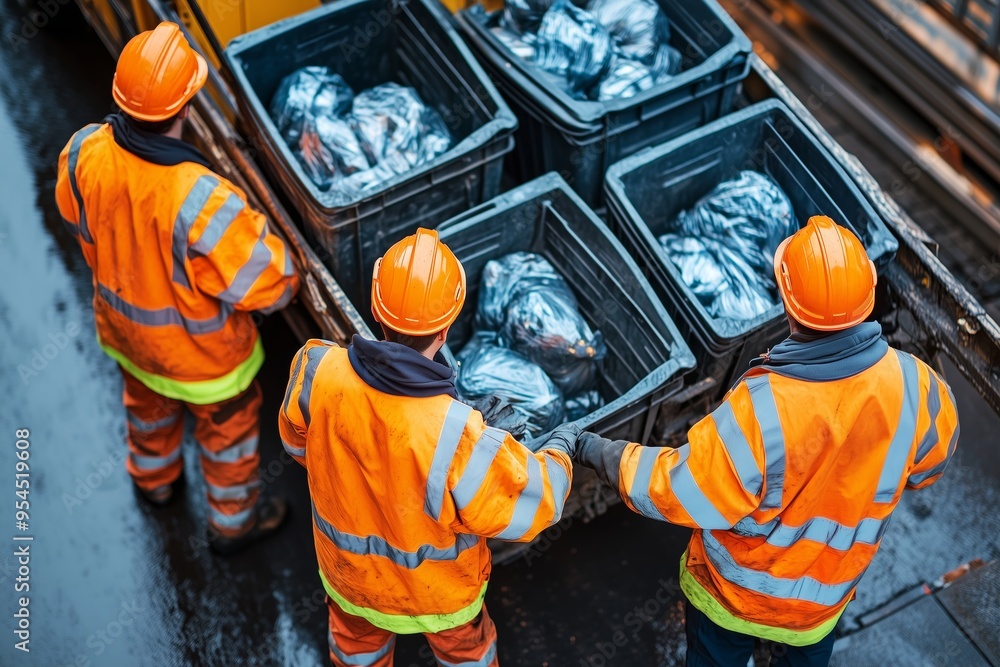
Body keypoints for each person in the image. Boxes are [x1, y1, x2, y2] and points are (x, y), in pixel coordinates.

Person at [575, 216, 960, 666]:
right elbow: (928, 468)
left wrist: (601, 453)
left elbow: (683, 489)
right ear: (870, 294)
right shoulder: (919, 388)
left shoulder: (763, 408)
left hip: (733, 601)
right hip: (821, 604)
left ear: (787, 301)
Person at [279, 228, 580, 667]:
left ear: (375, 310)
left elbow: (297, 447)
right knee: (467, 657)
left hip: (352, 581)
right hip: (440, 598)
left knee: (356, 652)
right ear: (446, 329)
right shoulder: (458, 433)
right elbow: (534, 505)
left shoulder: (315, 367)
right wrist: (561, 449)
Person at [55, 22, 300, 555]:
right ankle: (233, 527)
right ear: (187, 106)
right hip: (209, 365)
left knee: (147, 412)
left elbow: (77, 220)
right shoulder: (201, 199)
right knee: (227, 441)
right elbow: (272, 285)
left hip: (128, 341)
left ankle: (155, 484)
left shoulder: (81, 153)